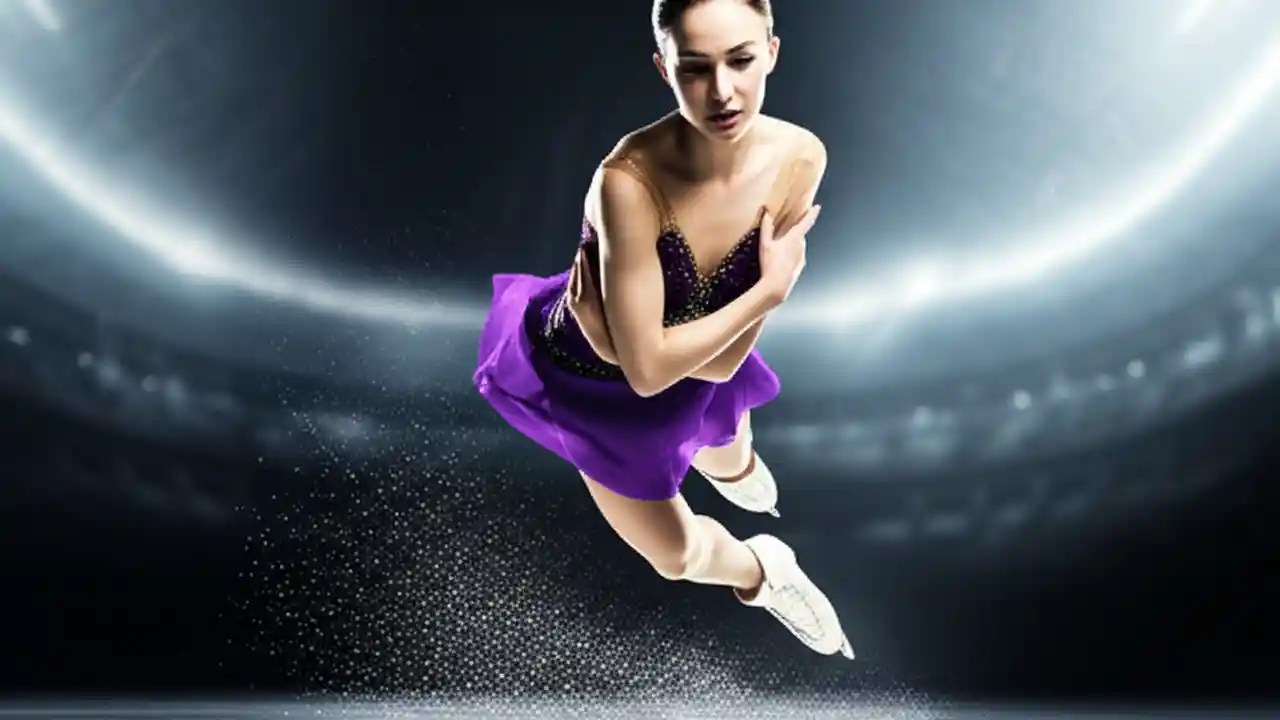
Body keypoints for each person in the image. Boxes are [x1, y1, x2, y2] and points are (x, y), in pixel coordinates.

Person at [473, 0, 852, 659]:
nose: (723, 91)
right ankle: (767, 571)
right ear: (663, 67)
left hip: (698, 342)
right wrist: (770, 290)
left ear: (772, 52)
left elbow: (717, 365)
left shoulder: (800, 157)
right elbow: (647, 373)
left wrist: (720, 337)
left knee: (727, 443)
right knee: (675, 557)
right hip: (593, 384)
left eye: (739, 60)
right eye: (695, 67)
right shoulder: (628, 183)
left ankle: (735, 469)